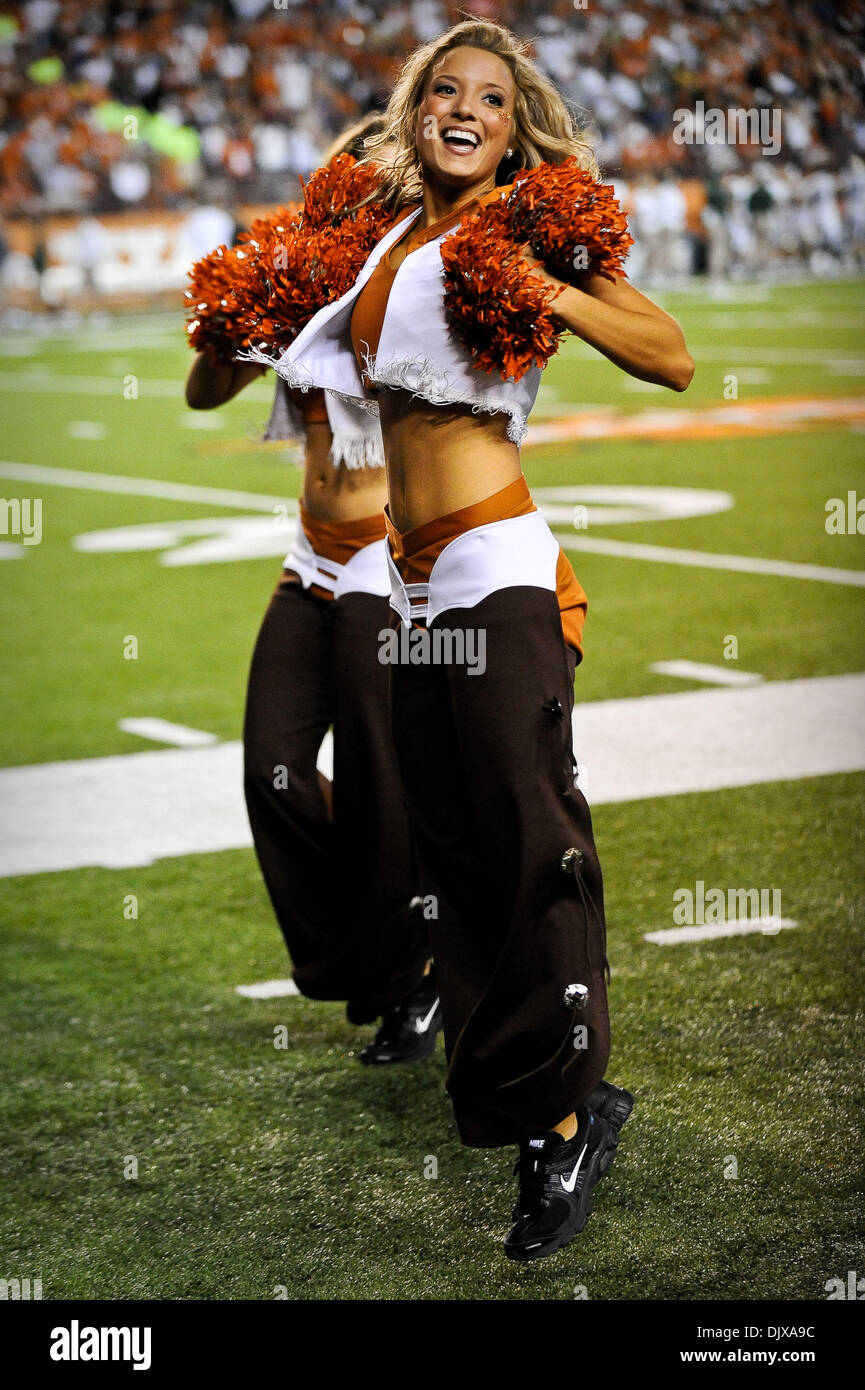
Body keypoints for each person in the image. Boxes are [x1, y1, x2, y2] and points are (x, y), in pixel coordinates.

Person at [246, 18, 693, 1262]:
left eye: (488, 100)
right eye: (444, 90)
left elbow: (672, 357)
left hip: (497, 566)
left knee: (523, 827)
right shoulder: (391, 236)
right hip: (410, 579)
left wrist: (550, 284)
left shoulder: (531, 222)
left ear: (513, 126)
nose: (462, 109)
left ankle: (565, 1111)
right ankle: (527, 1091)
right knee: (448, 844)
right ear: (416, 109)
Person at [185, 114, 442, 1066]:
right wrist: (242, 320)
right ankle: (383, 952)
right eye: (346, 180)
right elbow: (201, 396)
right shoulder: (304, 283)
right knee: (274, 769)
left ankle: (408, 976)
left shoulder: (424, 279)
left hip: (389, 562)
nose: (357, 195)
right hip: (310, 559)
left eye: (376, 183)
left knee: (380, 787)